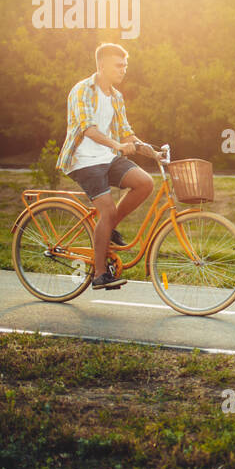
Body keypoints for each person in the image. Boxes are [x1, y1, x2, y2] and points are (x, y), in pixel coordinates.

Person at [55, 43, 156, 289]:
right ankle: (100, 274)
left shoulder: (116, 96)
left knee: (145, 183)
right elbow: (88, 129)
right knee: (107, 210)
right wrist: (117, 145)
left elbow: (126, 133)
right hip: (82, 160)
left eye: (125, 66)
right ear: (101, 66)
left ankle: (108, 229)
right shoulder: (82, 90)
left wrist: (149, 149)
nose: (123, 70)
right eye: (118, 65)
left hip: (106, 156)